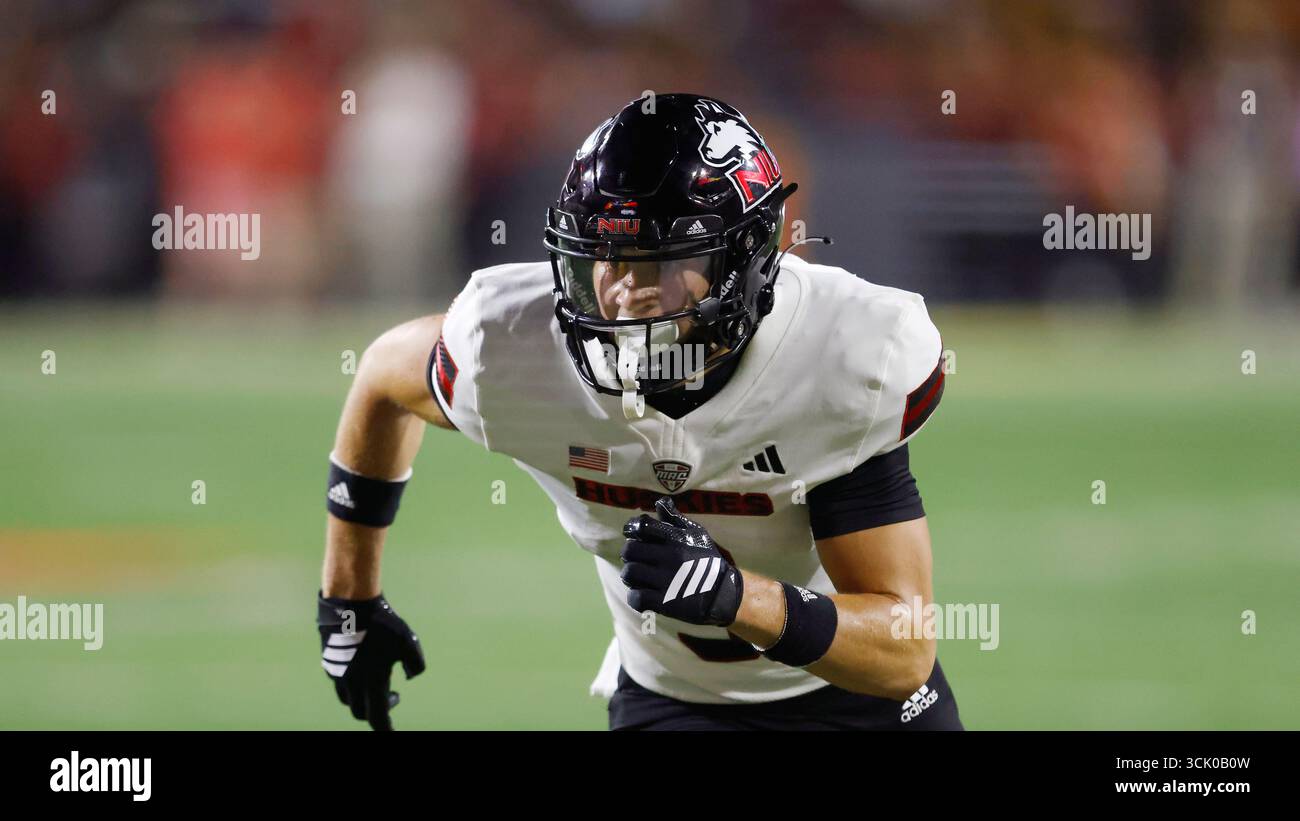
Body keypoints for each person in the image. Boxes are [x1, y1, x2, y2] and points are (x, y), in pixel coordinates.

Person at [317, 93, 961, 730]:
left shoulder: (842, 358)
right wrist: (347, 603)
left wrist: (739, 598)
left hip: (857, 701)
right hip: (672, 700)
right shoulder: (506, 344)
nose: (626, 296)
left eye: (664, 262)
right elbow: (381, 378)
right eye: (609, 260)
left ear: (745, 260)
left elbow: (902, 652)